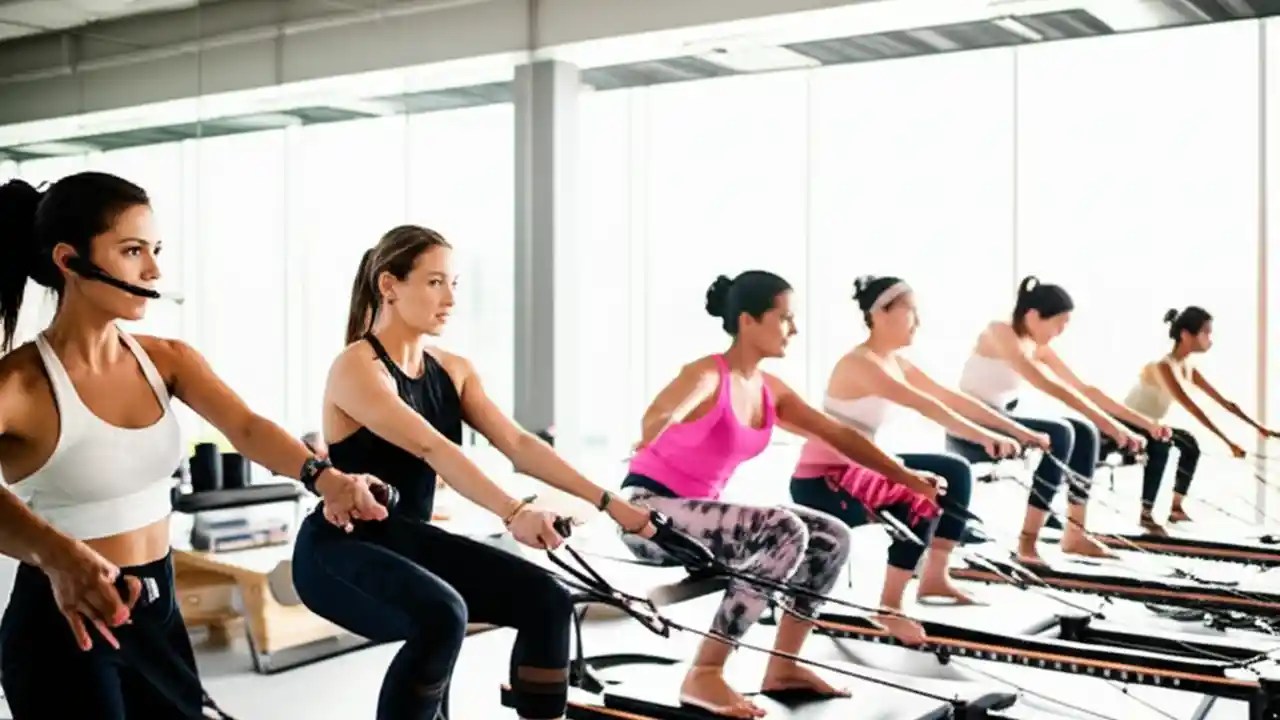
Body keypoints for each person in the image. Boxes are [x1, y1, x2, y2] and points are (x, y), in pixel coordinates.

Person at [0, 172, 387, 719]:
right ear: (69, 260)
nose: (153, 270)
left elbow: (246, 427)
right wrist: (57, 557)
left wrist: (327, 479)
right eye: (132, 251)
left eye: (155, 250)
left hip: (158, 607)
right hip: (64, 622)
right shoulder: (17, 385)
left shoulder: (168, 360)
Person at [290, 225, 664, 720]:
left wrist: (615, 505)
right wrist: (514, 512)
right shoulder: (356, 367)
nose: (449, 299)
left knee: (548, 600)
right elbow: (431, 445)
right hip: (341, 550)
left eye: (454, 284)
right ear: (389, 285)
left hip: (412, 544)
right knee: (441, 616)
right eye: (434, 282)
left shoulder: (453, 369)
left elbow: (519, 445)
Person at [619, 270, 945, 719]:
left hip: (696, 522)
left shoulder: (769, 390)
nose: (795, 329)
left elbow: (840, 437)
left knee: (832, 536)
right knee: (784, 530)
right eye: (785, 318)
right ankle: (706, 672)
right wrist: (657, 426)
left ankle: (784, 666)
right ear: (749, 321)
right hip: (645, 515)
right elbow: (667, 406)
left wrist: (905, 476)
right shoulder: (708, 374)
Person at [789, 276, 1051, 644]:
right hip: (825, 478)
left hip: (863, 466)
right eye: (911, 311)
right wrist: (988, 437)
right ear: (880, 313)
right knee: (919, 492)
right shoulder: (860, 364)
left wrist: (1015, 431)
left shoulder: (895, 362)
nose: (919, 321)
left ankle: (934, 577)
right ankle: (889, 609)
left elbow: (950, 398)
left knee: (954, 470)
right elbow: (925, 406)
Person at [946, 276, 1165, 564]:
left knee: (1085, 431)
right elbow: (1048, 385)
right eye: (1059, 322)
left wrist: (1143, 425)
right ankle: (1027, 544)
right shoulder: (999, 332)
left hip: (1001, 422)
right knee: (1061, 433)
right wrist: (1111, 426)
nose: (1061, 331)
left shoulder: (1035, 345)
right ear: (1034, 316)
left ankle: (1074, 535)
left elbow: (1084, 389)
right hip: (970, 428)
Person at [1115, 307, 1280, 529]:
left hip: (1152, 425)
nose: (1210, 339)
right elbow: (1192, 407)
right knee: (1163, 444)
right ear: (1185, 335)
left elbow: (1224, 402)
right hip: (1128, 422)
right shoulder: (1162, 366)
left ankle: (1175, 508)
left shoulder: (1187, 367)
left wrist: (1260, 428)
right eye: (1206, 333)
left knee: (1190, 446)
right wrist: (1229, 443)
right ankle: (1146, 513)